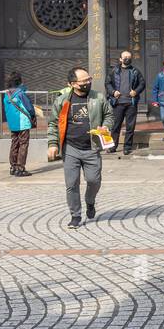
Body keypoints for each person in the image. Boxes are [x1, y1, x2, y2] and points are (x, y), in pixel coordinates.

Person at [47, 67, 114, 228]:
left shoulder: (98, 97)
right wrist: (53, 144)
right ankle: (75, 215)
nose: (88, 82)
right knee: (72, 184)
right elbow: (53, 124)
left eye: (89, 79)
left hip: (92, 147)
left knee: (94, 180)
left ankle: (90, 201)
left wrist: (105, 126)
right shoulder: (62, 101)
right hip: (70, 148)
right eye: (84, 81)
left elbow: (109, 115)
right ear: (72, 84)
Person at [105, 51, 145, 157]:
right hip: (118, 103)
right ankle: (112, 146)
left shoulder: (135, 71)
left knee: (130, 127)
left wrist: (135, 92)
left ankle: (127, 147)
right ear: (120, 59)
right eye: (125, 57)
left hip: (131, 103)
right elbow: (107, 83)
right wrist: (113, 92)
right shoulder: (114, 71)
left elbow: (142, 83)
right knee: (115, 126)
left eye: (129, 57)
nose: (127, 58)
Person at [2, 72, 38, 177]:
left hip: (12, 123)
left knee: (14, 143)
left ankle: (13, 167)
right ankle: (20, 168)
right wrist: (33, 115)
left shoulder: (7, 95)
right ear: (19, 81)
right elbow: (30, 108)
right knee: (23, 144)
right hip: (22, 122)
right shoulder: (20, 94)